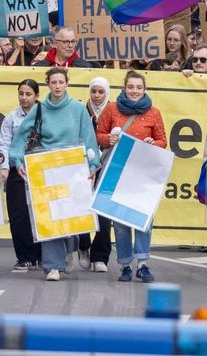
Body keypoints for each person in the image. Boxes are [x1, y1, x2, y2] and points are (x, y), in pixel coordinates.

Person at [9, 67, 101, 281]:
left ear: (66, 83)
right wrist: (17, 159)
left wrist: (92, 165)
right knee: (49, 218)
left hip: (73, 167)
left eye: (61, 82)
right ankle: (52, 266)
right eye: (53, 82)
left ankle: (69, 250)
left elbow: (88, 137)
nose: (57, 86)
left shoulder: (78, 109)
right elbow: (22, 135)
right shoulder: (39, 109)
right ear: (48, 84)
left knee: (70, 218)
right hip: (46, 166)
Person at [96, 70, 167, 283]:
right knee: (120, 221)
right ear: (124, 88)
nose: (134, 91)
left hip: (143, 172)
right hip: (118, 171)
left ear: (144, 89)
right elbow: (98, 136)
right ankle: (125, 265)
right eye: (131, 87)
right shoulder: (111, 109)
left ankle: (143, 264)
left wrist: (155, 144)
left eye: (138, 87)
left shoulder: (153, 112)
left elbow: (163, 140)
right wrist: (110, 139)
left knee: (143, 219)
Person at [0, 79, 44, 271]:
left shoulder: (44, 115)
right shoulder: (11, 117)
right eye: (21, 94)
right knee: (18, 215)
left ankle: (42, 254)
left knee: (40, 213)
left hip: (39, 168)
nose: (24, 98)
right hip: (18, 168)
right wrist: (6, 168)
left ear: (37, 96)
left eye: (28, 94)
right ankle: (24, 256)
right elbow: (4, 143)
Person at [83, 77, 115, 272]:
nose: (96, 95)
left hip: (107, 164)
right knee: (82, 206)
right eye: (93, 91)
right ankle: (83, 247)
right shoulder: (81, 111)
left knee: (103, 210)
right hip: (84, 166)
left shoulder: (114, 112)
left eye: (100, 92)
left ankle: (100, 256)